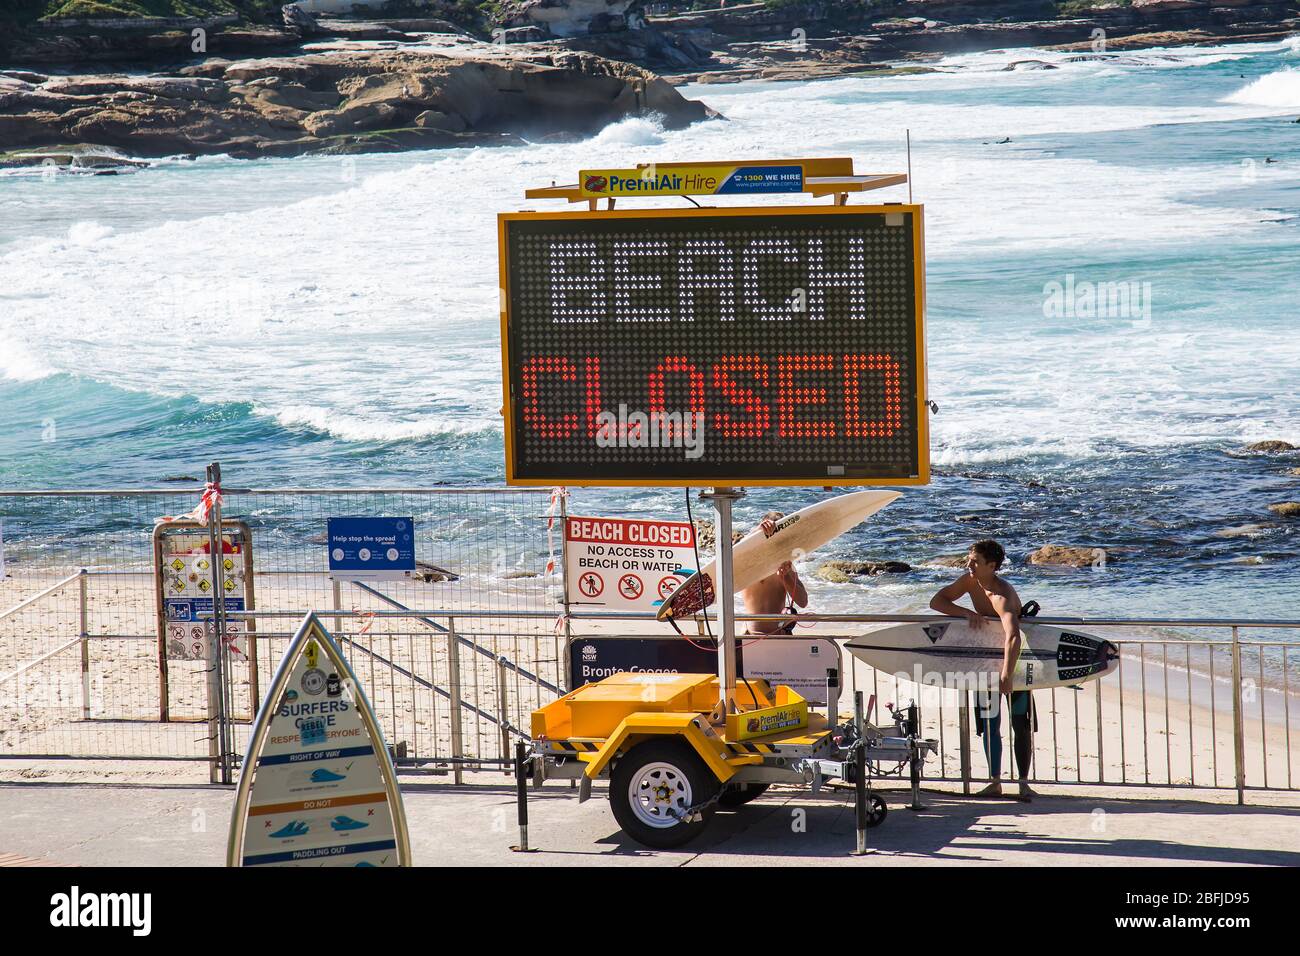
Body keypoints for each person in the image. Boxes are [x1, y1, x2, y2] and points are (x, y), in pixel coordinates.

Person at [929, 539, 1036, 800]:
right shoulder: (970, 581)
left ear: (992, 565)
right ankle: (995, 781)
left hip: (1016, 664)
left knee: (1020, 723)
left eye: (975, 561)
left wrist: (1007, 675)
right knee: (990, 723)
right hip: (987, 662)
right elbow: (937, 601)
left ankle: (1023, 783)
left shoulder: (1002, 595)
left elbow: (1013, 636)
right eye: (969, 559)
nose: (969, 564)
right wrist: (966, 612)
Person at [738, 512, 808, 635]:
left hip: (779, 633)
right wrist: (756, 531)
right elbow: (734, 553)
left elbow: (803, 602)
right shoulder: (749, 561)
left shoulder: (787, 565)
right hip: (750, 633)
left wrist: (786, 578)